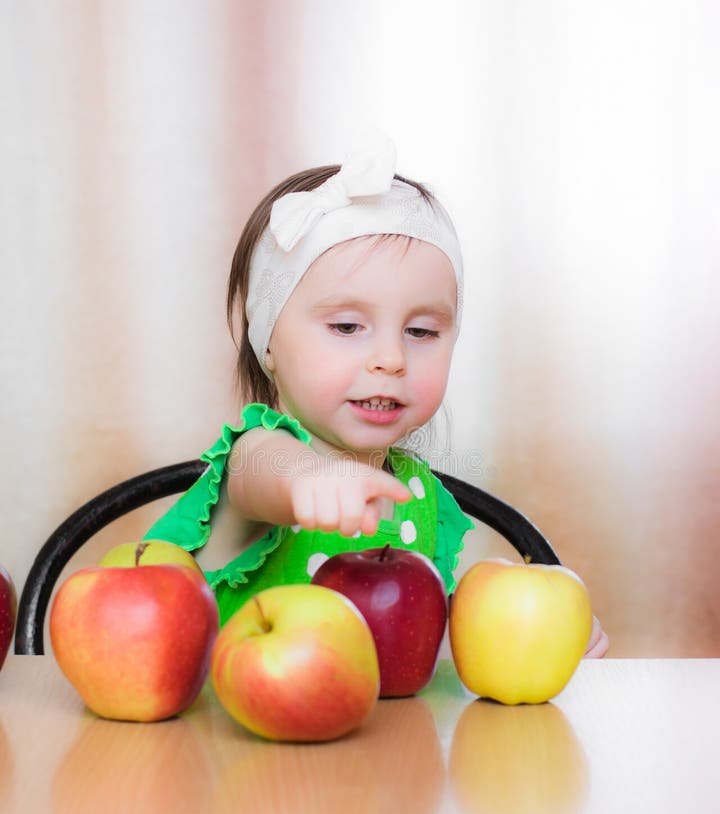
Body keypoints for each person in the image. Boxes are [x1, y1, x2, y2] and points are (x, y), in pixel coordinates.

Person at [144, 134, 609, 658]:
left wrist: (535, 631)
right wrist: (310, 478)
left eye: (422, 332)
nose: (391, 358)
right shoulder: (258, 462)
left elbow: (414, 638)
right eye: (346, 327)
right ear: (268, 342)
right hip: (248, 736)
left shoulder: (417, 496)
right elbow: (265, 470)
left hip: (390, 738)